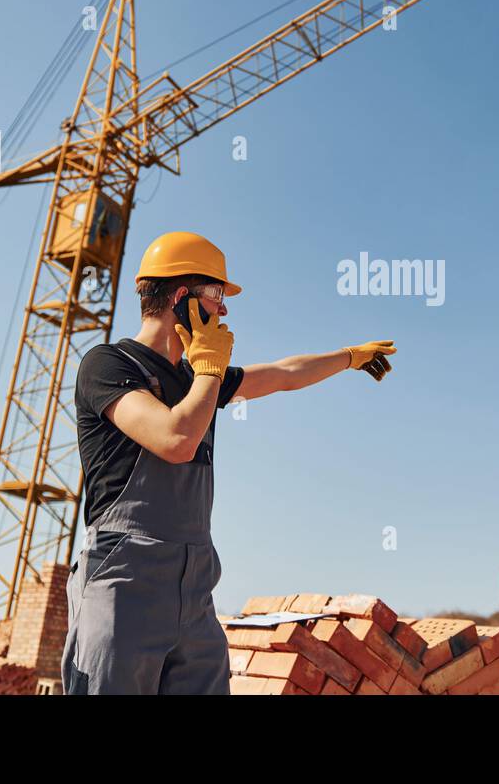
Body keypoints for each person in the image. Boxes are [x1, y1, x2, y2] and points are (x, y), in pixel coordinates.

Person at [61, 231, 394, 694]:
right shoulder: (108, 365)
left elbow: (282, 375)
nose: (225, 309)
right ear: (182, 299)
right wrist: (210, 373)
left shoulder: (200, 378)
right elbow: (176, 438)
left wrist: (349, 358)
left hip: (195, 590)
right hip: (124, 581)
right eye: (216, 295)